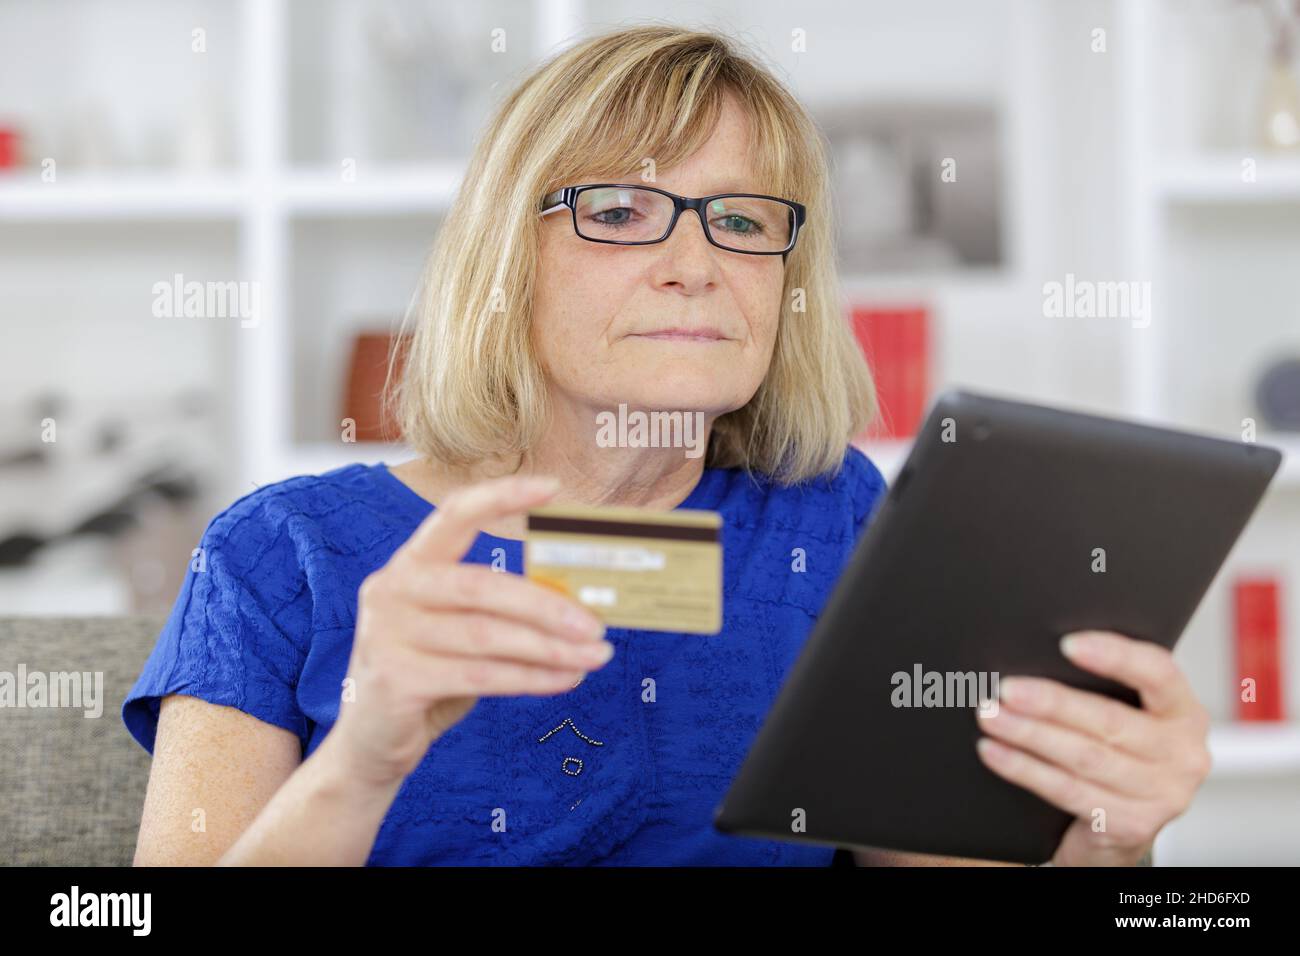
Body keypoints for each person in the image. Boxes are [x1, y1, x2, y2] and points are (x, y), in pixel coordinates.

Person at [123, 25, 1209, 866]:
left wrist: (1105, 842)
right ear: (510, 259)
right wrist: (362, 757)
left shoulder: (827, 518)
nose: (696, 262)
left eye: (740, 220)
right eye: (625, 208)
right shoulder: (281, 554)